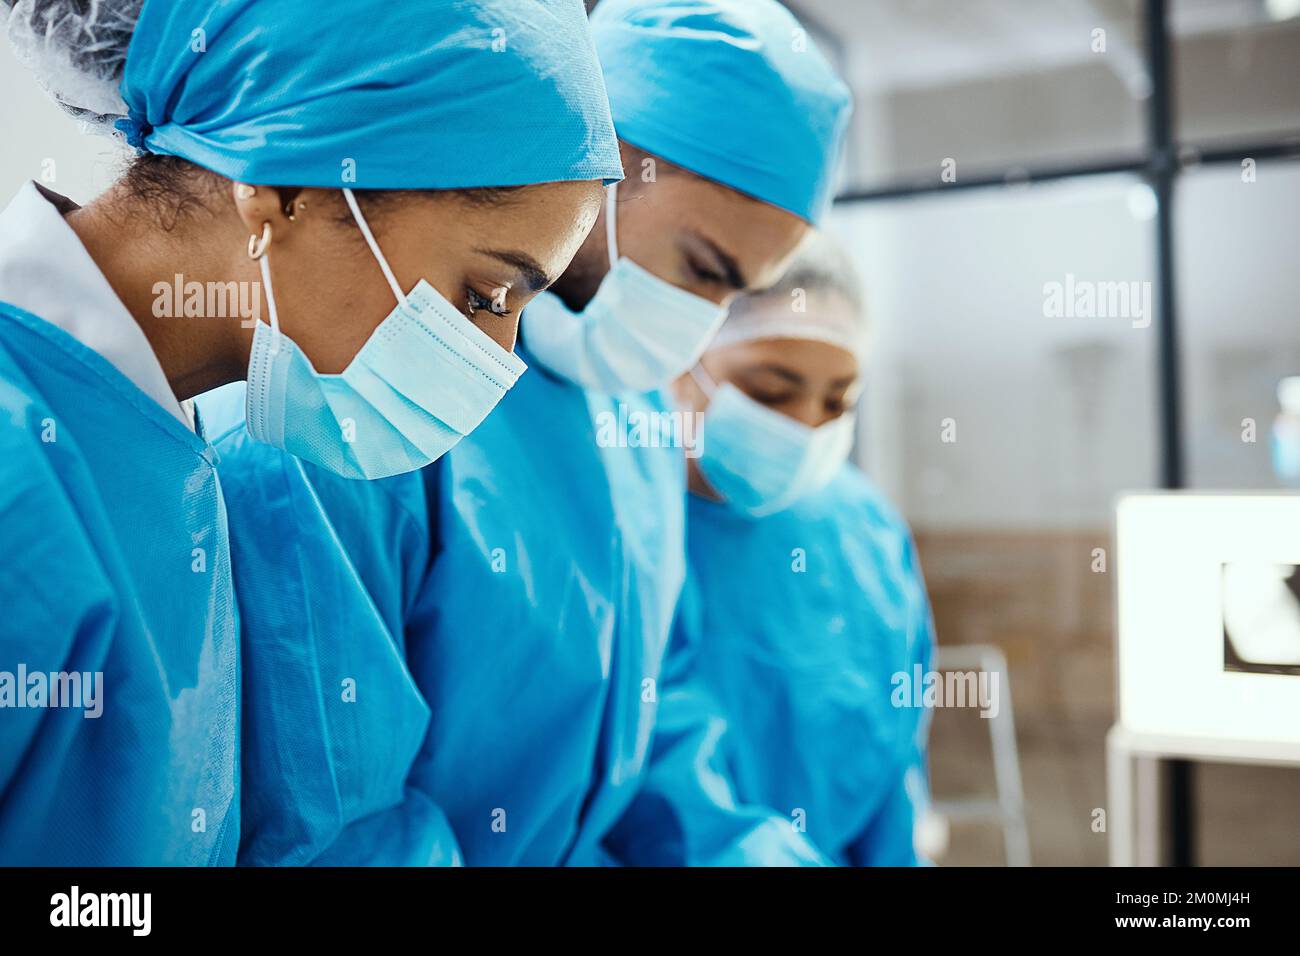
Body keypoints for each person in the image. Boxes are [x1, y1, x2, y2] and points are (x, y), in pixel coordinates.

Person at [0, 0, 621, 865]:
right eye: (485, 297)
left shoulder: (155, 448)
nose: (500, 358)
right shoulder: (23, 461)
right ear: (284, 191)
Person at [398, 0, 853, 865]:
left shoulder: (636, 418)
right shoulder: (384, 385)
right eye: (703, 268)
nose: (699, 321)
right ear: (600, 157)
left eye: (736, 293)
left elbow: (650, 729)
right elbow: (328, 818)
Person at [627, 234, 936, 865]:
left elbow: (893, 756)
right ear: (685, 362)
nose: (804, 426)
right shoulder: (626, 520)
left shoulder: (865, 529)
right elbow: (659, 788)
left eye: (838, 401)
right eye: (771, 392)